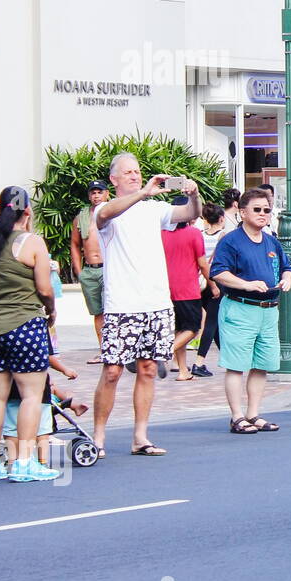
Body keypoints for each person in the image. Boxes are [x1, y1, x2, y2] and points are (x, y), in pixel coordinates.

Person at [92, 154, 201, 457]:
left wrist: (194, 194)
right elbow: (105, 214)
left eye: (137, 172)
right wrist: (143, 193)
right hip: (122, 304)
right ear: (113, 180)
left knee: (149, 369)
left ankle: (140, 436)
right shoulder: (105, 208)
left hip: (156, 302)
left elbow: (189, 212)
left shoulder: (155, 210)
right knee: (112, 371)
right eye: (127, 173)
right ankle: (98, 436)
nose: (135, 176)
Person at [0, 187, 61, 482]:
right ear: (28, 211)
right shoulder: (32, 242)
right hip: (24, 325)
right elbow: (46, 289)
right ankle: (23, 462)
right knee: (31, 396)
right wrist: (51, 311)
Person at [208, 188, 291, 432]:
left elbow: (287, 267)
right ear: (242, 212)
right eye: (257, 209)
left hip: (269, 309)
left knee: (261, 364)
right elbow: (218, 272)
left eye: (267, 210)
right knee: (236, 365)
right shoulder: (231, 240)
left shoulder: (271, 241)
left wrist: (287, 279)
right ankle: (237, 416)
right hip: (240, 307)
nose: (263, 214)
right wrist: (246, 284)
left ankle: (253, 414)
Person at [161, 195, 207, 382]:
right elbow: (202, 263)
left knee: (179, 329)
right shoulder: (193, 233)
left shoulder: (161, 234)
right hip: (187, 288)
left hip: (166, 288)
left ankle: (183, 371)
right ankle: (165, 352)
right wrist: (212, 283)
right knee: (193, 328)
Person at [71, 180, 110, 361]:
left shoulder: (113, 213)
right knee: (98, 313)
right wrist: (80, 272)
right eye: (93, 192)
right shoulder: (82, 217)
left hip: (109, 269)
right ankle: (103, 350)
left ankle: (114, 350)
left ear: (107, 194)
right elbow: (75, 244)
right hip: (90, 271)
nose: (96, 196)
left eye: (99, 192)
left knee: (113, 310)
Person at [190, 202, 227, 377]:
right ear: (221, 218)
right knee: (212, 321)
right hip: (215, 281)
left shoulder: (199, 235)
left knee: (216, 321)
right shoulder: (224, 235)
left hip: (200, 281)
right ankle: (199, 362)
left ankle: (227, 358)